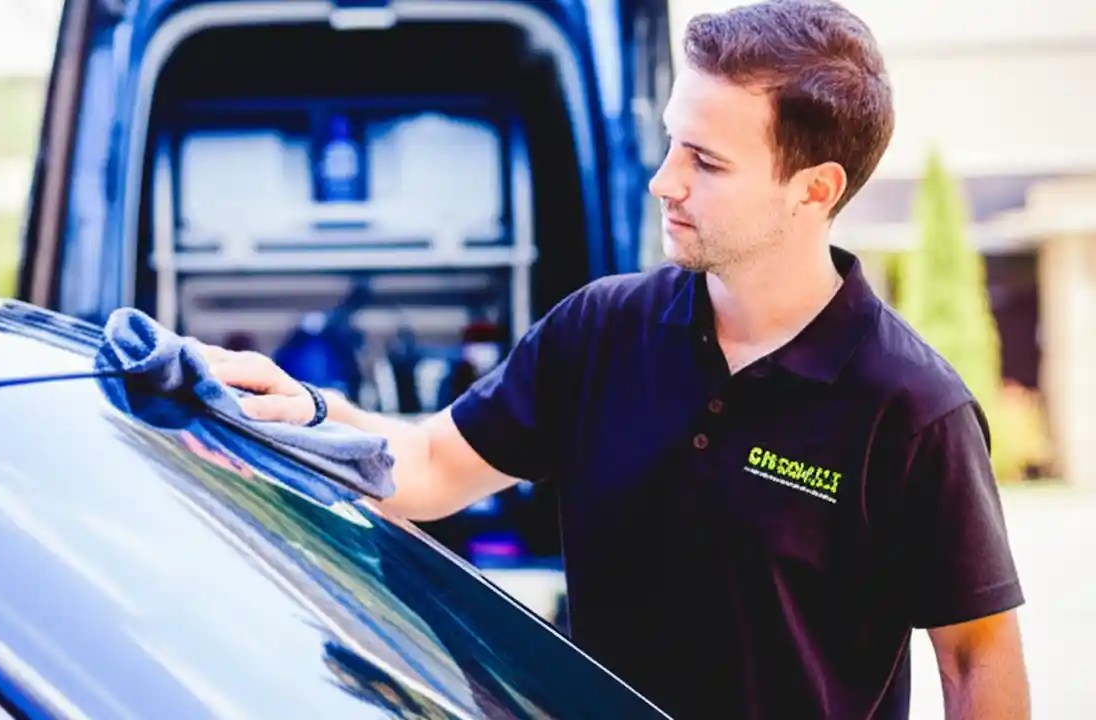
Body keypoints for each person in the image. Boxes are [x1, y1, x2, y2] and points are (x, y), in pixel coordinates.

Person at [200, 0, 1030, 717]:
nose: (664, 180)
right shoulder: (601, 330)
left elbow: (975, 654)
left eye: (705, 162)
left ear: (812, 189)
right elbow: (427, 463)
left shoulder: (911, 408)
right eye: (674, 144)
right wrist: (306, 414)